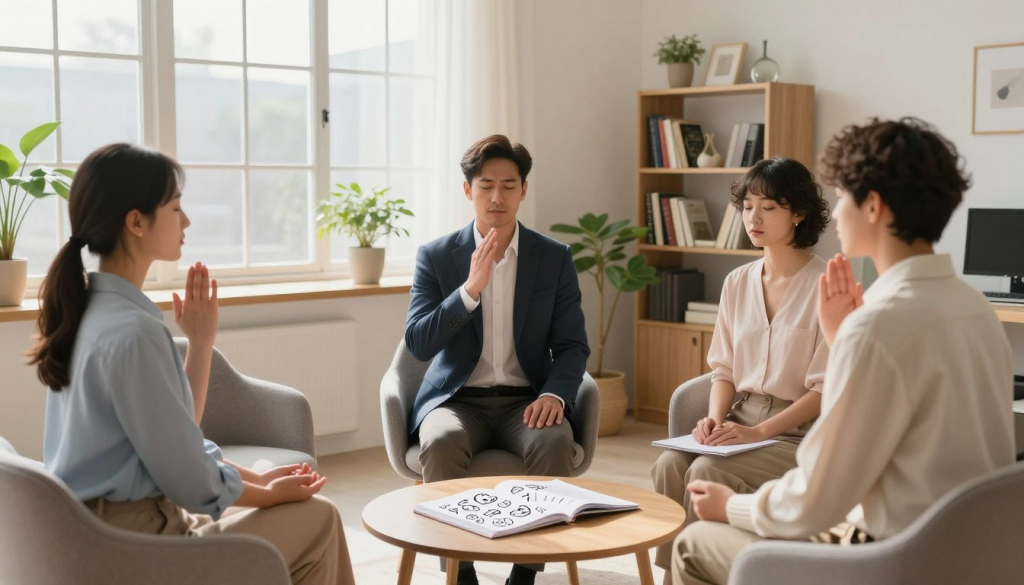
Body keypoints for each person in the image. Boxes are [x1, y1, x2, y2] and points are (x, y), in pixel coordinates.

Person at [673, 117, 1017, 585]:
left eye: (842, 197)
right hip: (969, 551)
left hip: (889, 555)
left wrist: (731, 506)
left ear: (872, 206)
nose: (835, 213)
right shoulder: (975, 308)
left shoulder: (878, 325)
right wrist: (842, 341)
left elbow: (816, 496)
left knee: (695, 543)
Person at [29, 143, 355, 585]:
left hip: (96, 535)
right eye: (176, 208)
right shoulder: (135, 333)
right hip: (138, 547)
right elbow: (188, 482)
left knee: (296, 513)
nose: (186, 221)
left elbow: (174, 442)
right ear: (136, 222)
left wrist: (201, 344)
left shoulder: (87, 312)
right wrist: (267, 495)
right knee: (319, 517)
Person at [404, 134, 590, 585]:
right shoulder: (435, 256)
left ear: (524, 190)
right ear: (467, 189)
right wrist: (470, 290)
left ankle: (524, 575)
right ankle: (460, 573)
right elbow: (419, 343)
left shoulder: (554, 258)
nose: (497, 197)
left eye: (509, 185)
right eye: (486, 185)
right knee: (442, 440)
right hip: (456, 401)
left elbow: (572, 345)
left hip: (527, 400)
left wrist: (554, 394)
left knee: (553, 443)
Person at [650, 157, 831, 580]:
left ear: (798, 213)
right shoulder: (737, 282)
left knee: (706, 469)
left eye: (768, 207)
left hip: (796, 432)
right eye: (748, 207)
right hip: (739, 417)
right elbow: (724, 371)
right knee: (669, 464)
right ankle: (674, 575)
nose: (754, 218)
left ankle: (701, 571)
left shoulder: (826, 285)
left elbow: (824, 391)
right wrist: (713, 420)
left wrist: (759, 432)